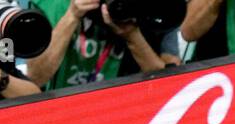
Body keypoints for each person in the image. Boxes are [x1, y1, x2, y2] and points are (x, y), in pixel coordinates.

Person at [26, 0, 187, 91]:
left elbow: (167, 88)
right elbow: (36, 77)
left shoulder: (151, 10)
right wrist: (72, 15)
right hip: (57, 112)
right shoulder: (50, 4)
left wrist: (132, 36)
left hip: (115, 119)